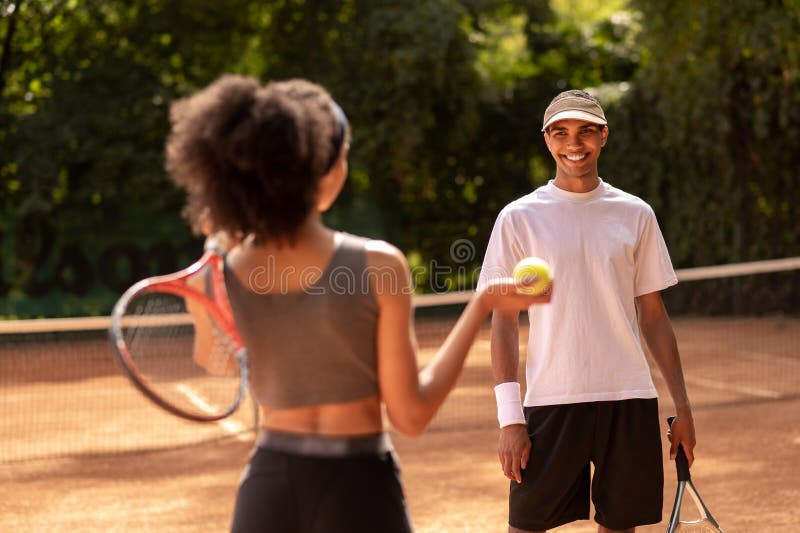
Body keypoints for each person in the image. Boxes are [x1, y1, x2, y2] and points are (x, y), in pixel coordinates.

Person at [164, 74, 551, 533]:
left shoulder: (223, 270)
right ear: (325, 172)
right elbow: (411, 416)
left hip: (268, 485)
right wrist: (481, 304)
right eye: (344, 155)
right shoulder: (379, 264)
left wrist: (206, 297)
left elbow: (217, 361)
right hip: (359, 488)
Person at [477, 89, 696, 533]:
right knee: (525, 527)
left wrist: (683, 406)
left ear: (604, 136)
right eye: (561, 133)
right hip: (551, 401)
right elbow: (504, 323)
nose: (574, 144)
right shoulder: (518, 218)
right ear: (547, 139)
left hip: (629, 399)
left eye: (585, 131)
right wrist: (510, 419)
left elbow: (653, 316)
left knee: (620, 528)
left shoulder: (635, 214)